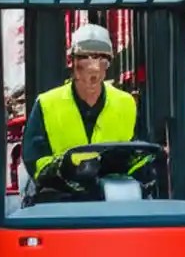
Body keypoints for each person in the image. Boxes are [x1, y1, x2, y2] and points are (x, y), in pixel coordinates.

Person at [21, 23, 138, 184]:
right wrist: (63, 167)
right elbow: (35, 161)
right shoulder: (47, 104)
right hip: (62, 196)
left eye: (101, 58)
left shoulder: (126, 103)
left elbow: (140, 155)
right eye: (85, 57)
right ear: (72, 62)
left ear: (109, 63)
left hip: (114, 197)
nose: (93, 66)